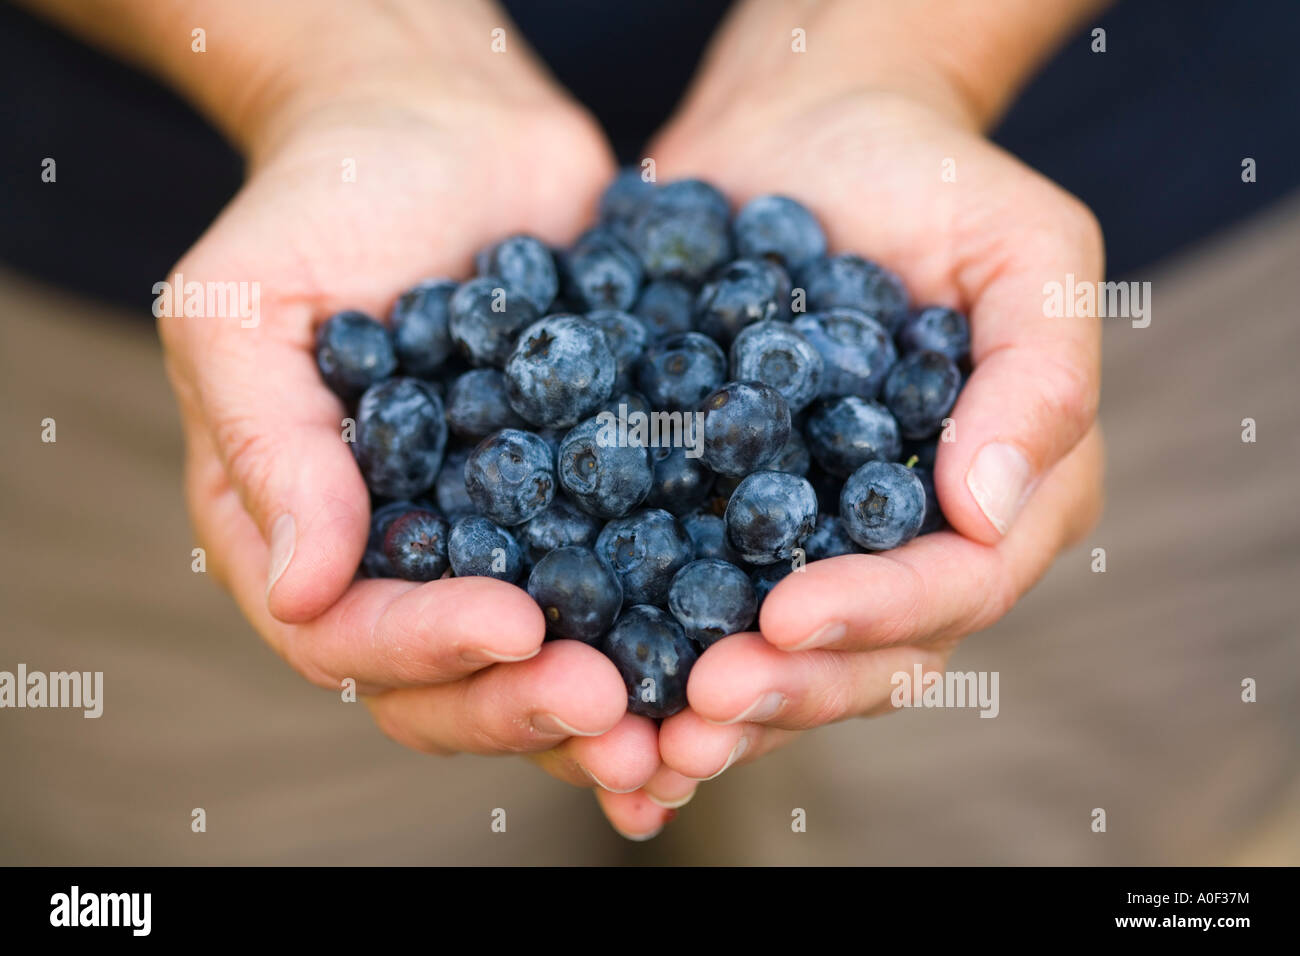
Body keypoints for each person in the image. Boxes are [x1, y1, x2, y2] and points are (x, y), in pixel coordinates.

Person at [18, 0, 1107, 840]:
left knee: (989, 817)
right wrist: (337, 59)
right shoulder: (526, 405)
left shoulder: (793, 383)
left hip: (1152, 174)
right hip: (106, 245)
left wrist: (903, 57)